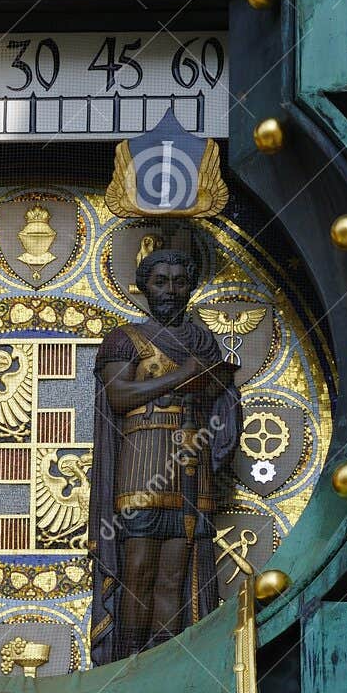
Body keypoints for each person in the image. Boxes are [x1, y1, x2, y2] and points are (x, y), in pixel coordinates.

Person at [88, 247, 240, 664]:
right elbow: (118, 395)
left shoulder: (202, 340)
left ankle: (164, 660)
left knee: (177, 568)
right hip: (143, 458)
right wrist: (181, 376)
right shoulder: (125, 338)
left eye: (179, 281)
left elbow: (219, 395)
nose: (170, 290)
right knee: (138, 567)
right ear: (143, 288)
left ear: (190, 287)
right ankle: (130, 658)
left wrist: (218, 389)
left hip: (192, 455)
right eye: (161, 282)